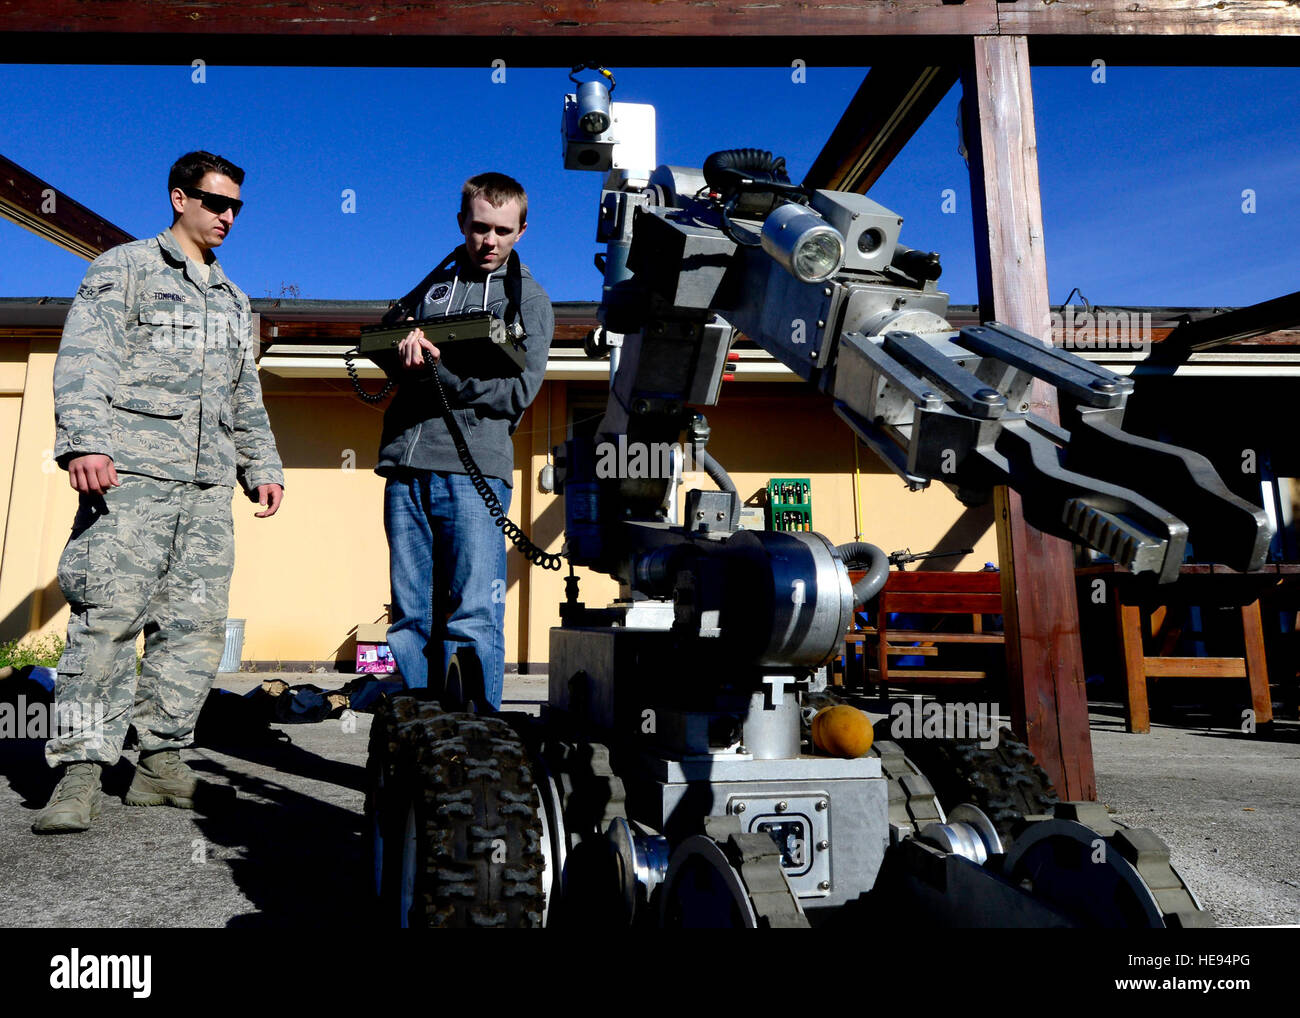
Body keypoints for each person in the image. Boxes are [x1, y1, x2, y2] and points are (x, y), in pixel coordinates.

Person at [33, 151, 284, 834]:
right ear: (180, 198)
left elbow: (245, 396)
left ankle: (161, 764)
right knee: (106, 620)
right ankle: (81, 772)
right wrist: (85, 441)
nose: (227, 216)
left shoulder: (234, 301)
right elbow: (87, 356)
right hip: (131, 478)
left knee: (194, 630)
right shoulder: (126, 268)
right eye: (214, 202)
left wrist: (262, 465)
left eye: (236, 206)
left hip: (206, 490)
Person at [377, 172, 553, 710]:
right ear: (462, 224)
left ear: (522, 230)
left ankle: (475, 746)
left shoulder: (530, 300)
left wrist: (443, 373)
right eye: (479, 228)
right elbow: (394, 353)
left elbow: (517, 392)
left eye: (502, 230)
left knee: (472, 612)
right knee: (410, 615)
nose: (489, 241)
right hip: (407, 468)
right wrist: (401, 354)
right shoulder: (430, 291)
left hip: (474, 472)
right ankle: (417, 736)